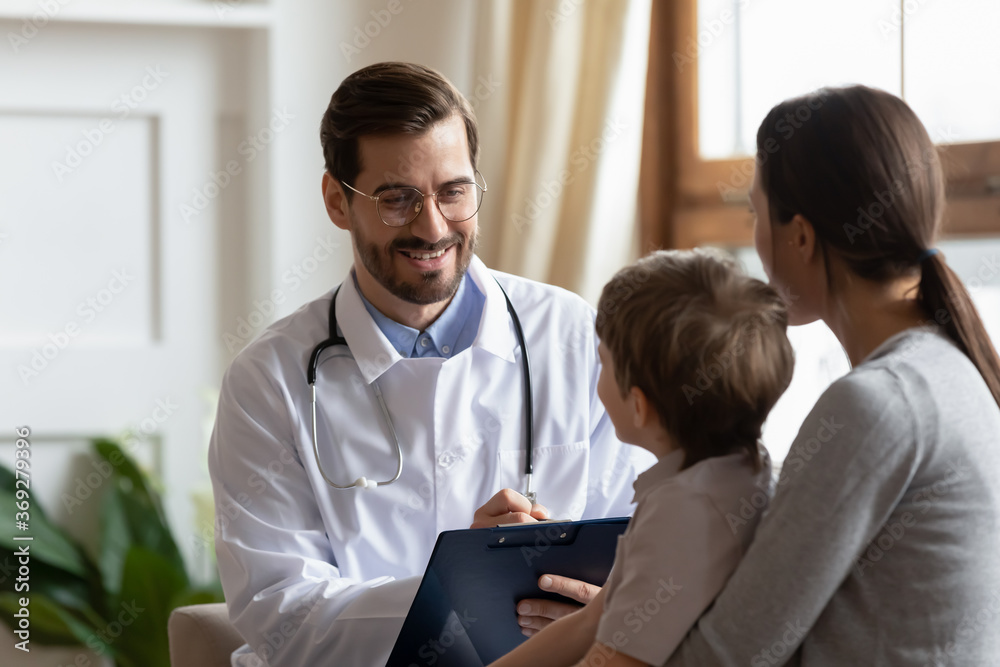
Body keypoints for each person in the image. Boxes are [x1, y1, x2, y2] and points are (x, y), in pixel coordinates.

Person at [207, 61, 653, 667]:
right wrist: (461, 584)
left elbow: (641, 542)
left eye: (454, 191)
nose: (433, 226)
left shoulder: (573, 334)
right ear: (338, 200)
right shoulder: (269, 380)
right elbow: (282, 613)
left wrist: (596, 602)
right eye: (398, 199)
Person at [660, 86, 1000, 665]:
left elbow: (725, 657)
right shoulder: (948, 366)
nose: (754, 242)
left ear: (799, 235)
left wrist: (617, 632)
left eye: (754, 214)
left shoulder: (878, 404)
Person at [491, 249, 795, 667]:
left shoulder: (683, 514)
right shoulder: (739, 472)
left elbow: (616, 659)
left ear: (639, 406)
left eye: (603, 363)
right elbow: (591, 622)